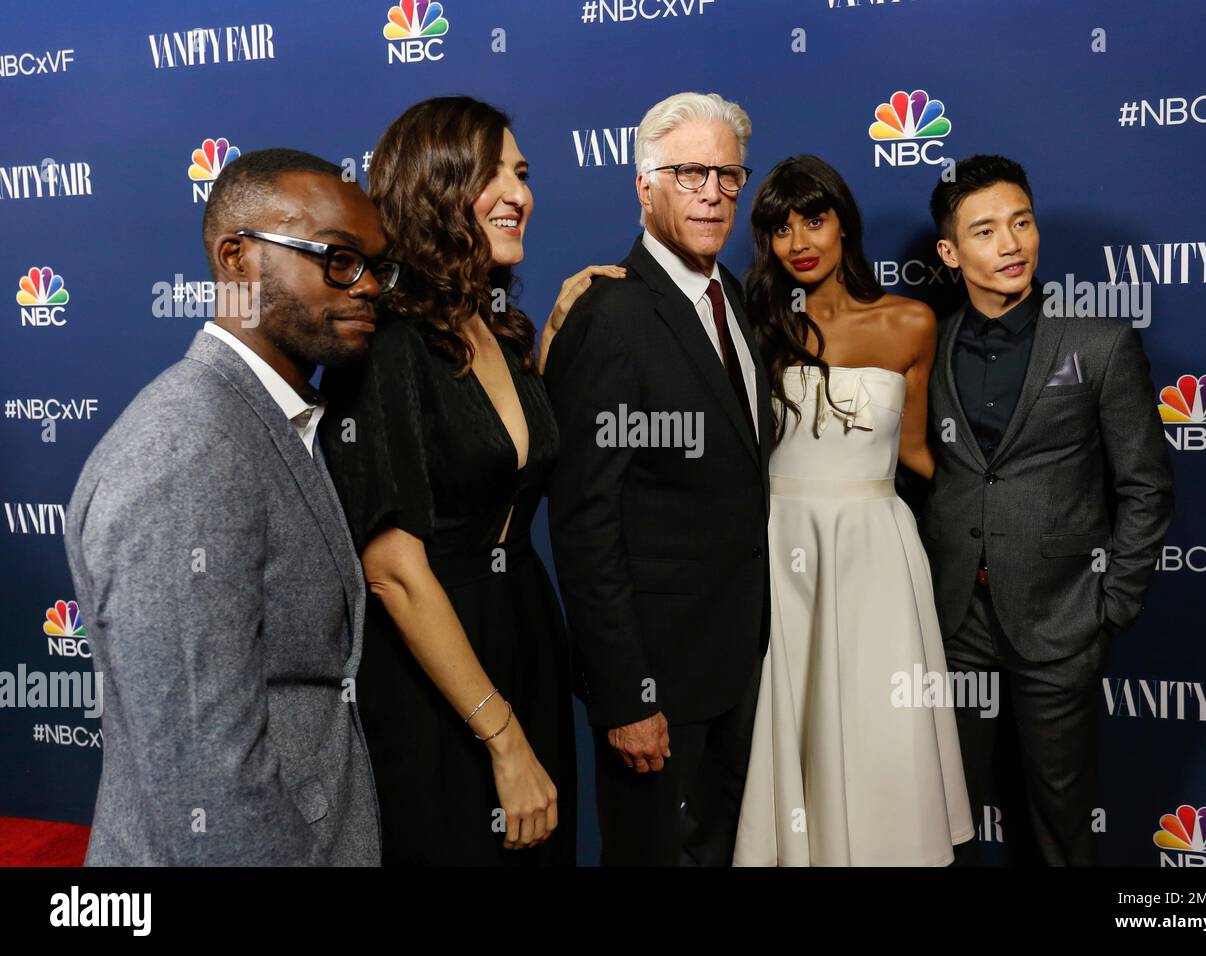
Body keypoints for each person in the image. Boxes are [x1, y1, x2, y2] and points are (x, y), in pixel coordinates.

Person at [63, 148, 395, 864]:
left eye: (375, 265)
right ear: (237, 260)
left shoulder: (271, 419)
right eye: (337, 259)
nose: (368, 287)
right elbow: (203, 782)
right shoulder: (187, 447)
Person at [320, 96, 619, 865]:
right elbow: (391, 571)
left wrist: (549, 336)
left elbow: (496, 458)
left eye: (522, 173)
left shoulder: (488, 322)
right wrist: (505, 739)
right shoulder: (385, 340)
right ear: (436, 185)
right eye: (494, 174)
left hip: (523, 632)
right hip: (437, 675)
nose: (520, 193)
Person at [922, 155, 1174, 865]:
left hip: (1063, 620)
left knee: (1062, 828)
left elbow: (1146, 486)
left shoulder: (1100, 342)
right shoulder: (925, 344)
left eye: (1022, 222)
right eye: (985, 231)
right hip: (954, 623)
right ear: (949, 252)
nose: (1011, 244)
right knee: (944, 821)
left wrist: (1110, 606)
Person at [545, 91, 772, 866]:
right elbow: (585, 520)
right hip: (657, 685)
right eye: (689, 173)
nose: (713, 191)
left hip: (736, 663)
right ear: (645, 186)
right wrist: (626, 693)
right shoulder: (611, 316)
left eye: (728, 175)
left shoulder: (729, 297)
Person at [732, 155, 973, 866]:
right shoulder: (754, 328)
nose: (799, 240)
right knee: (794, 726)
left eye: (815, 218)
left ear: (844, 222)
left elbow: (918, 451)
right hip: (781, 549)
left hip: (877, 552)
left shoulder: (911, 322)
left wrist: (1016, 497)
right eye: (780, 227)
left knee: (878, 727)